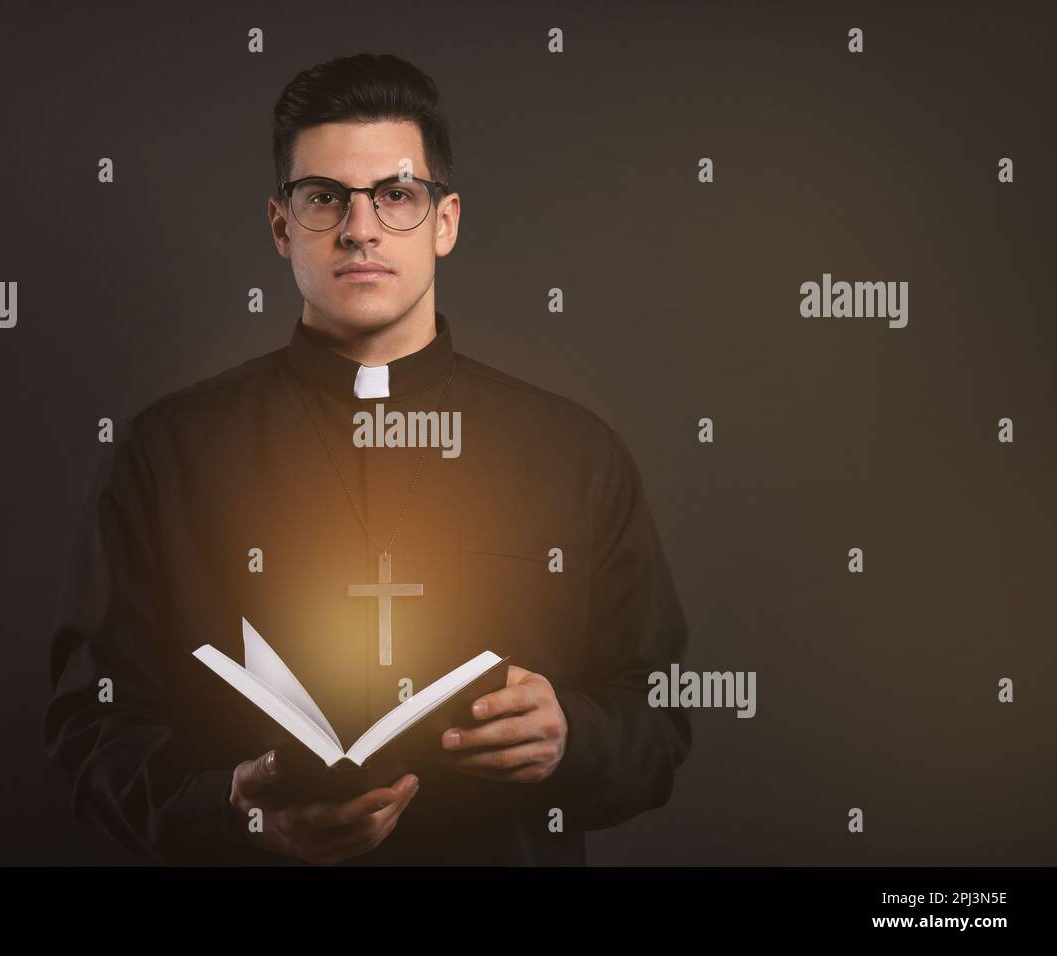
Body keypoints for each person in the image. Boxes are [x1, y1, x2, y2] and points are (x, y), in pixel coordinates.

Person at [44, 52, 691, 865]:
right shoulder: (165, 451)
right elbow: (91, 723)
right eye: (325, 199)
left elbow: (659, 717)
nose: (361, 227)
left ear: (445, 221)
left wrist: (575, 737)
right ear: (282, 225)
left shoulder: (576, 451)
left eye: (396, 194)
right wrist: (236, 811)